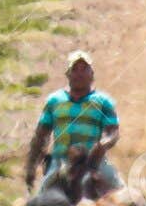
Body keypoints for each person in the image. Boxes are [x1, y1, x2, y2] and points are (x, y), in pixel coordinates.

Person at [24, 50, 123, 194]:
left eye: (84, 69)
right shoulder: (55, 100)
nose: (79, 74)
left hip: (94, 163)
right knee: (40, 200)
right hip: (61, 162)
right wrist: (31, 167)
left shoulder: (103, 101)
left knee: (122, 196)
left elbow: (112, 132)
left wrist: (101, 146)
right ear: (68, 74)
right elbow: (41, 135)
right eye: (75, 70)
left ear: (92, 74)